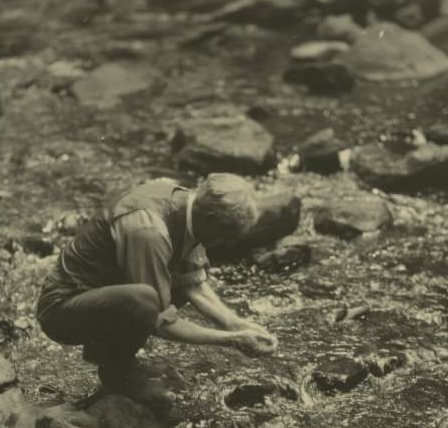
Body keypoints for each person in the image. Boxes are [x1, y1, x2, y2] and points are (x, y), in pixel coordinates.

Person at [36, 173, 279, 407]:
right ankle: (117, 372)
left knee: (169, 286)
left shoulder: (190, 206)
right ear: (211, 221)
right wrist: (232, 341)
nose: (228, 244)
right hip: (62, 310)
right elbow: (160, 321)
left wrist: (238, 325)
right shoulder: (149, 231)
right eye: (228, 236)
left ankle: (111, 355)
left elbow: (193, 282)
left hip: (101, 296)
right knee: (144, 300)